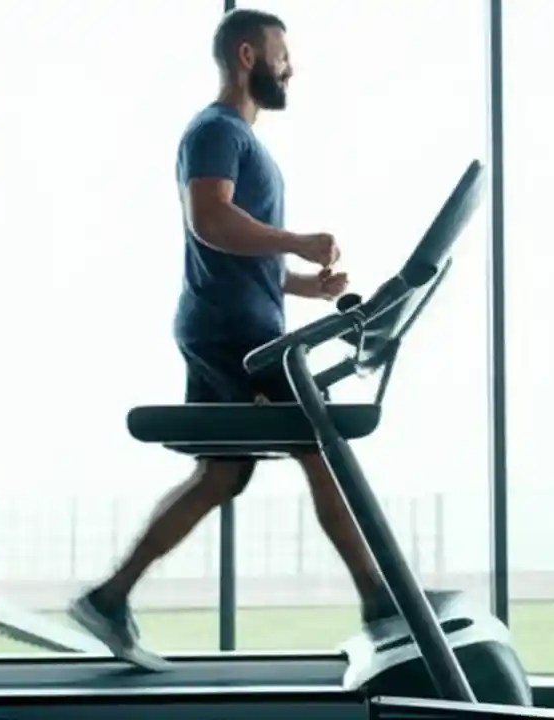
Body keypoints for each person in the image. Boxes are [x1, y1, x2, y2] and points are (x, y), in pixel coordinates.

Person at [68, 9, 397, 668]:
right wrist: (297, 240)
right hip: (234, 333)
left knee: (223, 473)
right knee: (320, 449)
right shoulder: (216, 131)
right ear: (248, 56)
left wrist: (303, 284)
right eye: (282, 54)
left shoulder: (238, 138)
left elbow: (239, 254)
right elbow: (211, 222)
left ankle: (109, 597)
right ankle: (380, 603)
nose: (290, 67)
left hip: (235, 323)